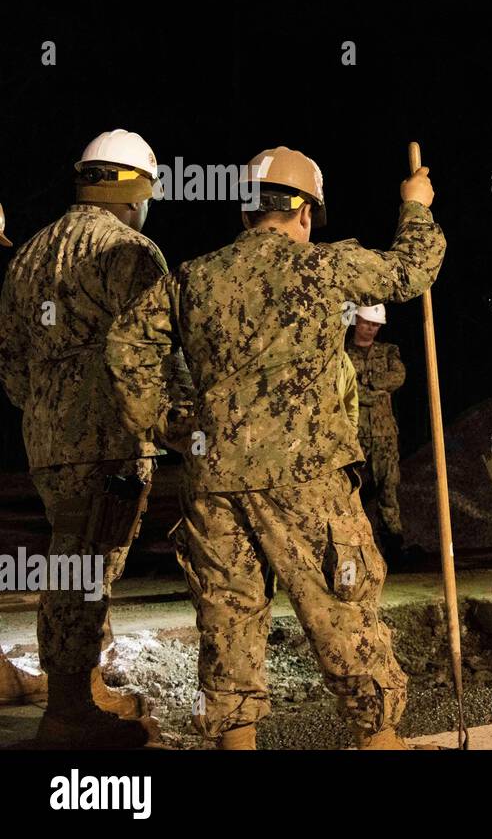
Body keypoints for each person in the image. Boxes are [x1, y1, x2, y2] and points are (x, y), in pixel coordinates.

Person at [106, 146, 444, 750]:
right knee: (344, 617)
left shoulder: (192, 277)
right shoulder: (324, 267)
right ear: (306, 213)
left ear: (245, 212)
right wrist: (413, 206)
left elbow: (127, 349)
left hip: (212, 485)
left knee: (229, 623)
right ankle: (380, 744)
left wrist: (172, 424)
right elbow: (410, 271)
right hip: (305, 477)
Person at [0, 130, 188, 747]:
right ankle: (68, 711)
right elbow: (151, 351)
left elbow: (11, 363)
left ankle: (84, 688)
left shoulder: (27, 254)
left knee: (75, 557)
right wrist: (183, 422)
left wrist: (47, 411)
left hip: (47, 440)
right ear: (137, 189)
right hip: (107, 436)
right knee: (85, 566)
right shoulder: (130, 252)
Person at [346, 304, 406, 553]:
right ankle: (352, 544)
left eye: (375, 325)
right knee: (351, 490)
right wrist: (372, 393)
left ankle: (392, 545)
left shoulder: (389, 351)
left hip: (384, 434)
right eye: (366, 323)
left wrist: (370, 383)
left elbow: (398, 376)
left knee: (388, 488)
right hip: (354, 433)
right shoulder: (343, 352)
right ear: (356, 321)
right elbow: (342, 388)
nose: (370, 328)